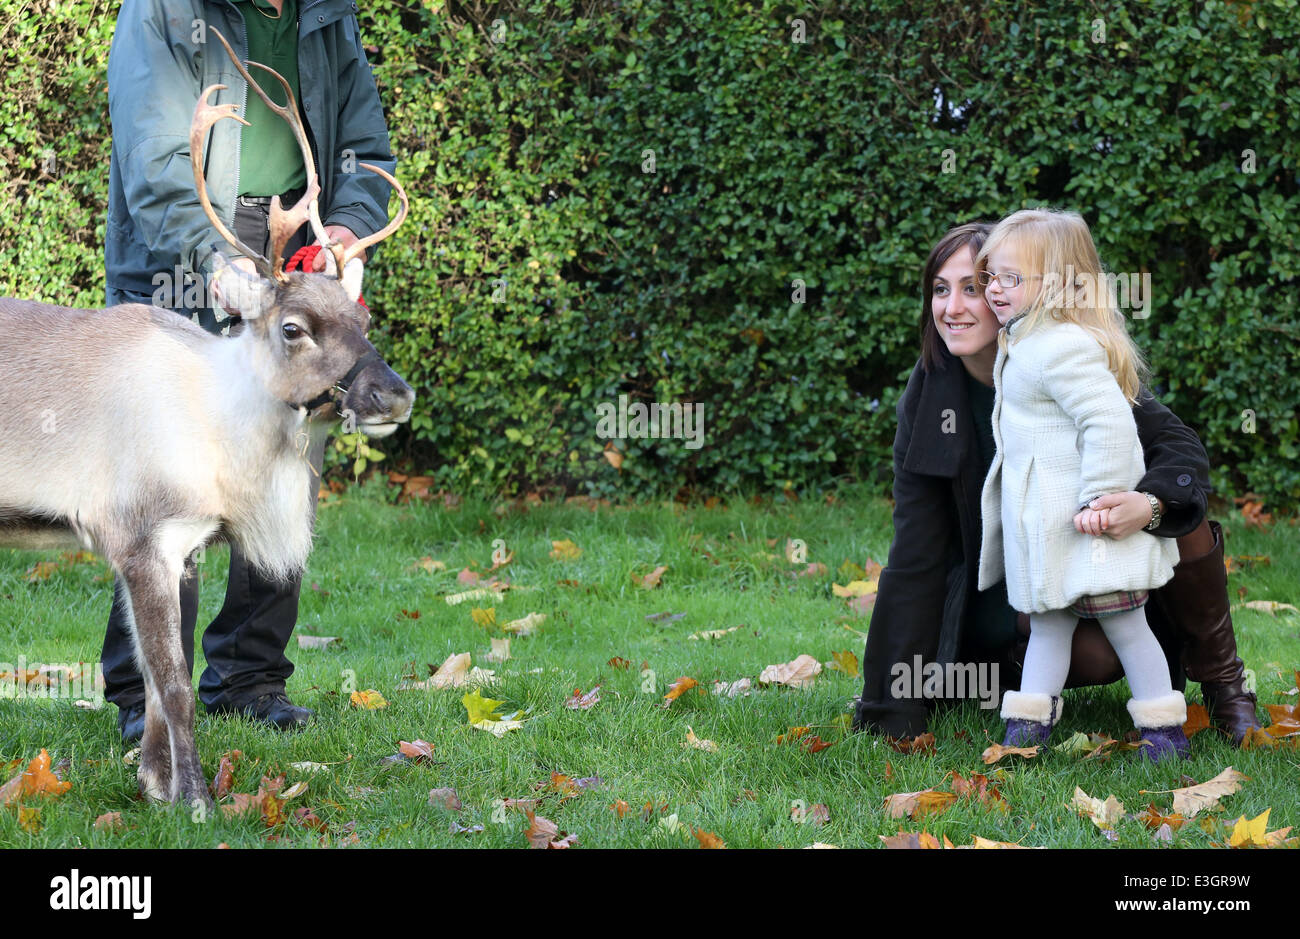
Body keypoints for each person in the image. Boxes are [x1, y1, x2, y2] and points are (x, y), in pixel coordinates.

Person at [102, 0, 397, 740]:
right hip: (184, 249)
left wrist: (347, 230)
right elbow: (154, 161)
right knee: (173, 477)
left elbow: (363, 145)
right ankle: (145, 694)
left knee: (287, 460)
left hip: (295, 239)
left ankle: (248, 676)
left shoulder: (327, 12)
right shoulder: (163, 10)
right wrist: (214, 258)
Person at [852, 220, 1260, 745]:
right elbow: (915, 553)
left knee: (1182, 514)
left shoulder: (1066, 355)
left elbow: (1179, 450)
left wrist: (1147, 505)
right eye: (940, 288)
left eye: (974, 287)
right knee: (1083, 650)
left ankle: (1226, 688)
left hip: (1092, 558)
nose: (952, 307)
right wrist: (892, 708)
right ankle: (1027, 703)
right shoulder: (931, 396)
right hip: (1004, 591)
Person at [975, 208, 1186, 758]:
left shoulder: (1059, 346)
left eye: (1011, 278)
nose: (994, 288)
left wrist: (1102, 498)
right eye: (990, 275)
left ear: (1060, 283)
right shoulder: (1024, 340)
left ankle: (1164, 734)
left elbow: (1109, 423)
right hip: (1049, 530)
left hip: (1089, 527)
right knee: (1047, 628)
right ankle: (1026, 733)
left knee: (1128, 628)